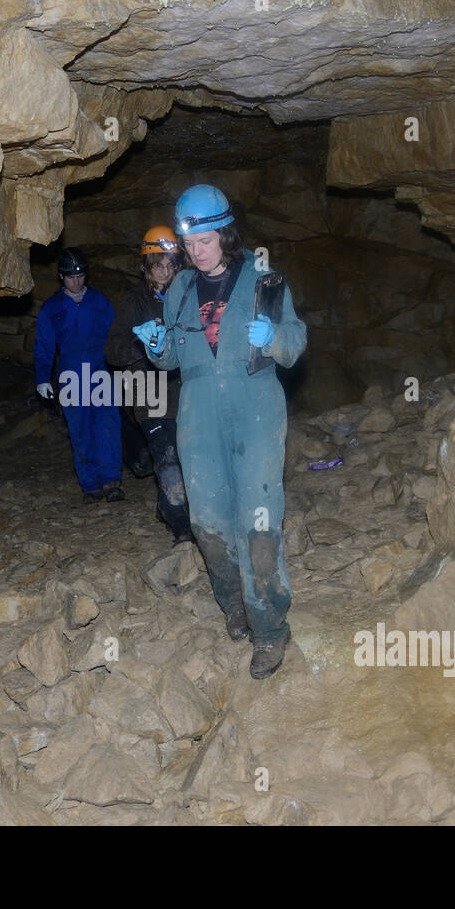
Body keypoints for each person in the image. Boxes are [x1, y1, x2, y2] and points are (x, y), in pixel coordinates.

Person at [133, 185, 307, 679]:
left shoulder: (263, 281)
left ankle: (270, 629)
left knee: (257, 523)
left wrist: (274, 338)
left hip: (254, 408)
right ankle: (234, 605)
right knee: (207, 524)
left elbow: (295, 340)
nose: (195, 251)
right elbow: (173, 356)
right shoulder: (181, 289)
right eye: (190, 244)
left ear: (225, 234)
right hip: (198, 413)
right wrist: (156, 347)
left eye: (205, 240)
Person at [106, 226, 192, 545]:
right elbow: (111, 350)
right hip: (150, 392)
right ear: (147, 268)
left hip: (187, 391)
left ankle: (169, 507)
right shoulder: (134, 301)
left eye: (172, 265)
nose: (166, 273)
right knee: (168, 459)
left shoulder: (189, 296)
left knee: (190, 457)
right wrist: (141, 345)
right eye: (159, 266)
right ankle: (182, 527)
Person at [34, 248, 125, 503]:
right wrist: (42, 377)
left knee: (106, 425)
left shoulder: (99, 302)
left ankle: (111, 481)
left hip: (100, 372)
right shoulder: (51, 309)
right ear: (60, 277)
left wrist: (123, 368)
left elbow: (116, 337)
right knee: (80, 429)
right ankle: (90, 486)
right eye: (71, 277)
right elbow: (44, 346)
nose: (76, 281)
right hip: (71, 376)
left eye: (81, 276)